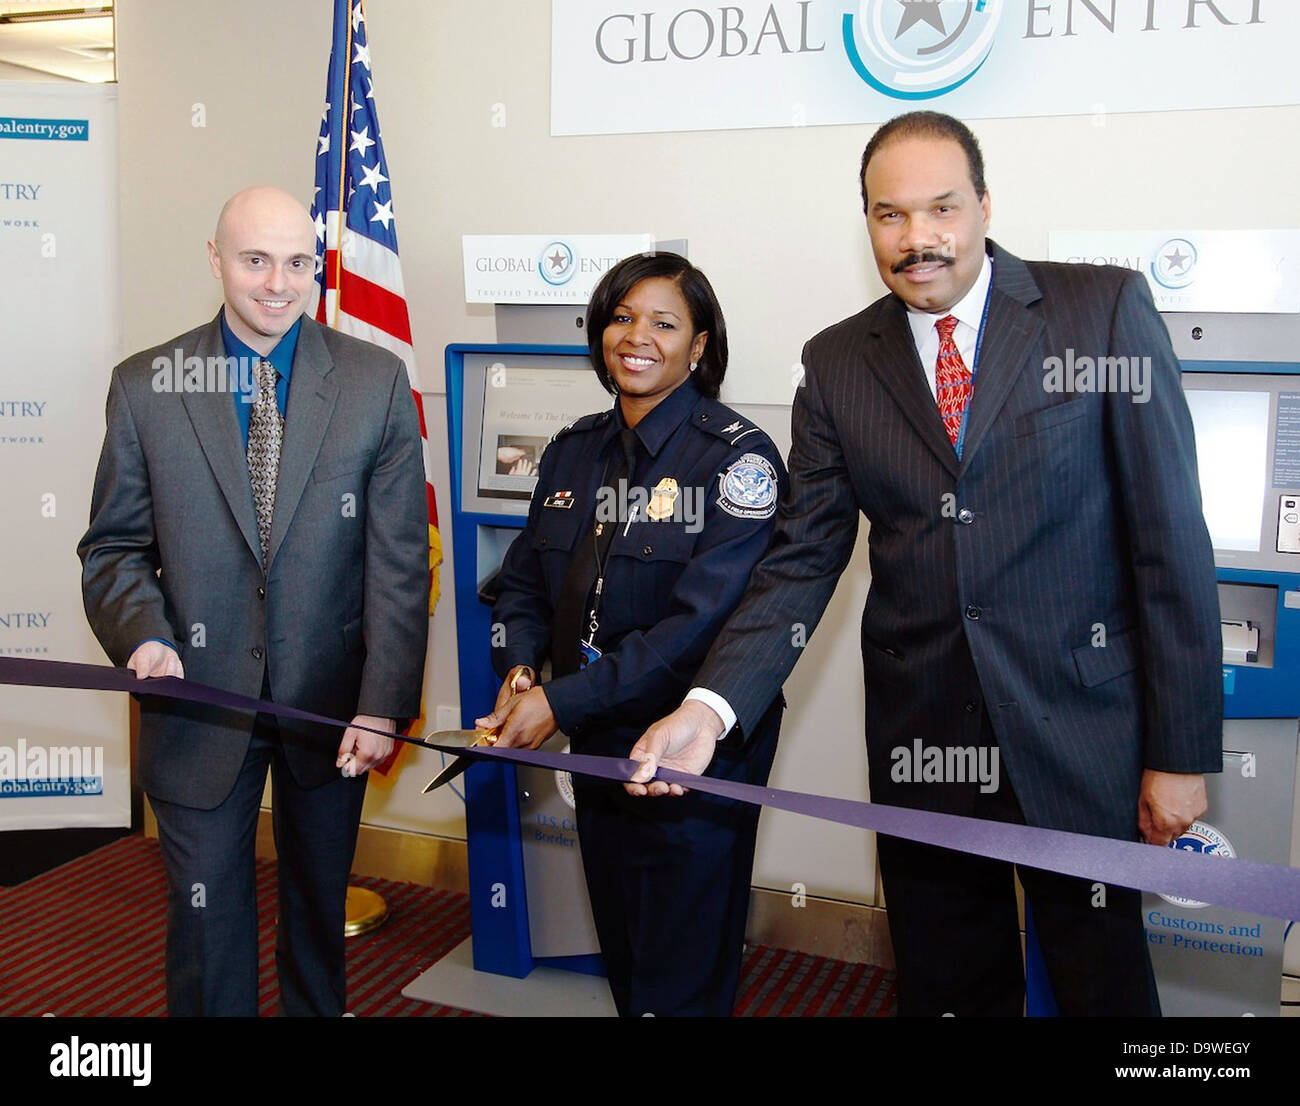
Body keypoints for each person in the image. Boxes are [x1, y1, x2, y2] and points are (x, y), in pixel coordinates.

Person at [630, 112, 1223, 1017]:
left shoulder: (1099, 311)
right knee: (947, 984)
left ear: (984, 205)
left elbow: (1170, 539)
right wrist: (711, 709)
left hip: (1080, 735)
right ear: (867, 223)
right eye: (890, 216)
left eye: (941, 208)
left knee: (1102, 985)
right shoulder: (836, 362)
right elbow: (802, 557)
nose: (917, 240)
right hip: (923, 743)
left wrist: (1179, 752)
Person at [78, 186, 429, 1016]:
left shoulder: (374, 382)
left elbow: (399, 565)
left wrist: (383, 706)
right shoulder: (147, 387)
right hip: (196, 704)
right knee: (207, 925)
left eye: (299, 262)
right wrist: (145, 637)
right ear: (215, 259)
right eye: (256, 260)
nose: (279, 283)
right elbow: (113, 550)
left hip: (329, 706)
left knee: (318, 917)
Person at [476, 252, 786, 1016]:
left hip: (690, 748)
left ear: (700, 345)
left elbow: (698, 625)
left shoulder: (737, 461)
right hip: (594, 734)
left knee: (680, 966)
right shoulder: (574, 448)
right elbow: (521, 582)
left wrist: (562, 701)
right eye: (621, 316)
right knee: (623, 946)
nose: (636, 336)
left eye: (663, 322)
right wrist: (522, 669)